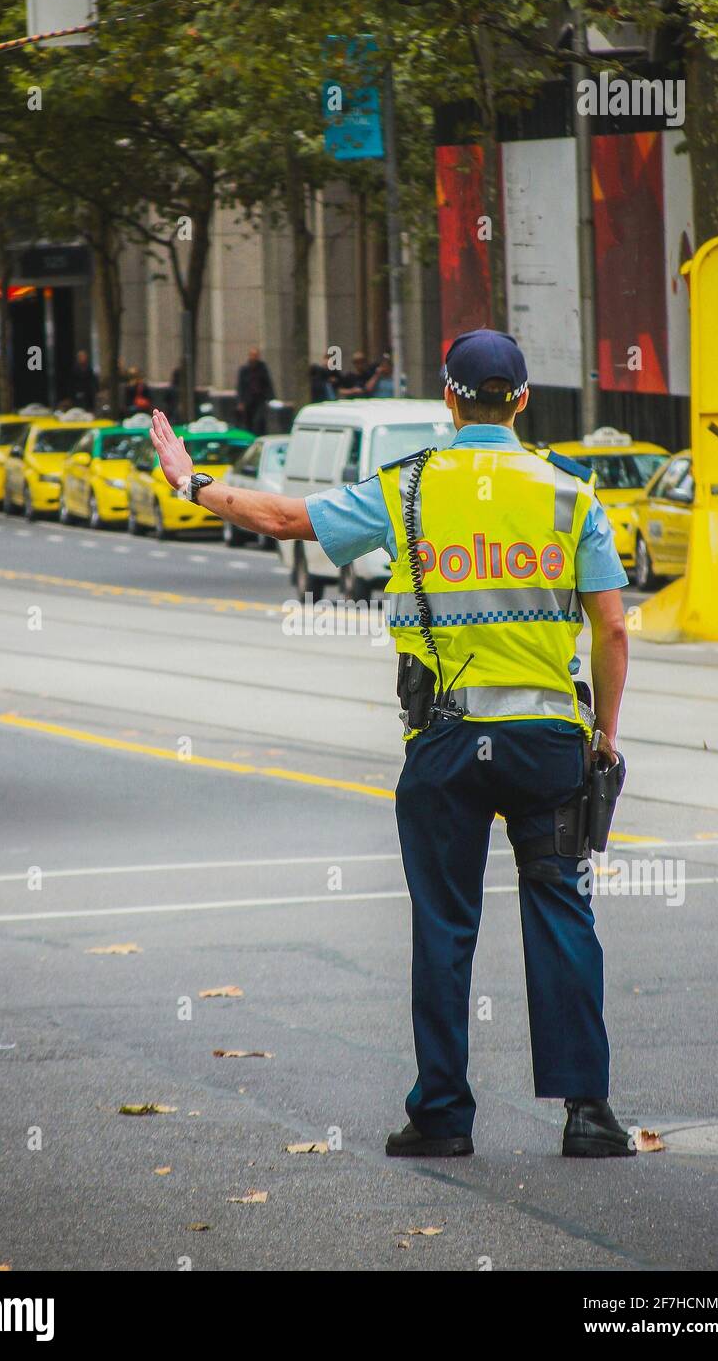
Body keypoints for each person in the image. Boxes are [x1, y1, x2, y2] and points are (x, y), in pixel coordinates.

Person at [148, 327, 636, 1161]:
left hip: (444, 745)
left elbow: (282, 516)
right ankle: (588, 1114)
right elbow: (614, 630)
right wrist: (604, 739)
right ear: (521, 401)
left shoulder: (406, 489)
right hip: (547, 739)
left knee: (445, 926)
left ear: (449, 398)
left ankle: (443, 1115)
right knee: (562, 913)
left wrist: (191, 479)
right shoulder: (570, 493)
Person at [236, 346, 275, 436]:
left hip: (260, 399)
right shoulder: (244, 370)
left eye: (256, 355)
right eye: (252, 355)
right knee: (248, 420)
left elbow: (268, 383)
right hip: (248, 400)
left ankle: (259, 434)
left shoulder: (263, 367)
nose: (254, 357)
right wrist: (240, 402)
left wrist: (270, 397)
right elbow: (240, 386)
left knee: (259, 420)